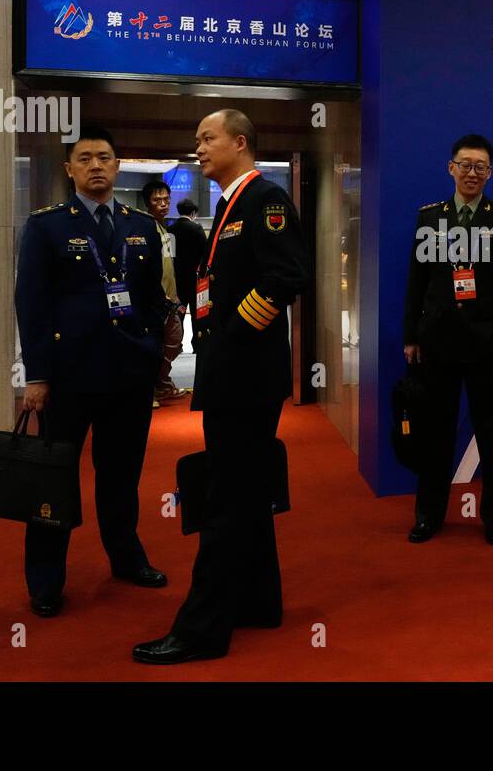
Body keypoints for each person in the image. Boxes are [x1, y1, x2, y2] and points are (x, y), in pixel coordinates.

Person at [133, 108, 309, 664]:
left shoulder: (265, 199)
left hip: (244, 375)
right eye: (196, 139)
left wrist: (229, 338)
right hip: (232, 373)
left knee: (226, 500)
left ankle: (202, 628)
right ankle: (259, 602)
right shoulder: (231, 205)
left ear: (240, 142)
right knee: (248, 493)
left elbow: (286, 278)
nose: (198, 147)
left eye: (207, 138)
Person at [14, 127, 168, 618]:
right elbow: (31, 305)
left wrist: (151, 350)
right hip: (67, 378)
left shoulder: (141, 226)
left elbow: (150, 296)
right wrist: (36, 375)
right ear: (70, 170)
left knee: (121, 477)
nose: (96, 166)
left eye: (105, 157)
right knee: (54, 480)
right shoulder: (46, 227)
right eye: (85, 159)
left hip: (128, 376)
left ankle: (126, 558)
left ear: (118, 166)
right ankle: (45, 580)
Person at [402, 134, 493, 546]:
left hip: (485, 340)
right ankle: (428, 515)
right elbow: (417, 282)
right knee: (435, 432)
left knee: (492, 432)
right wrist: (411, 335)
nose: (472, 173)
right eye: (465, 164)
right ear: (451, 168)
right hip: (437, 341)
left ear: (490, 173)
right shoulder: (431, 217)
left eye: (480, 167)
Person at [141, 179, 188, 405]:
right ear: (148, 203)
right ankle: (150, 389)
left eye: (166, 199)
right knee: (155, 345)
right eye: (157, 200)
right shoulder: (144, 227)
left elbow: (170, 267)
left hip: (171, 299)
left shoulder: (165, 229)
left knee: (175, 341)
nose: (163, 203)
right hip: (155, 301)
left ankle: (161, 382)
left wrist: (176, 296)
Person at [169, 198, 207, 324]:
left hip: (177, 281)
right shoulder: (197, 229)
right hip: (196, 281)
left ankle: (176, 343)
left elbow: (166, 257)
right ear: (193, 213)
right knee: (199, 316)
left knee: (177, 316)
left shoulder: (170, 229)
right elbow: (206, 254)